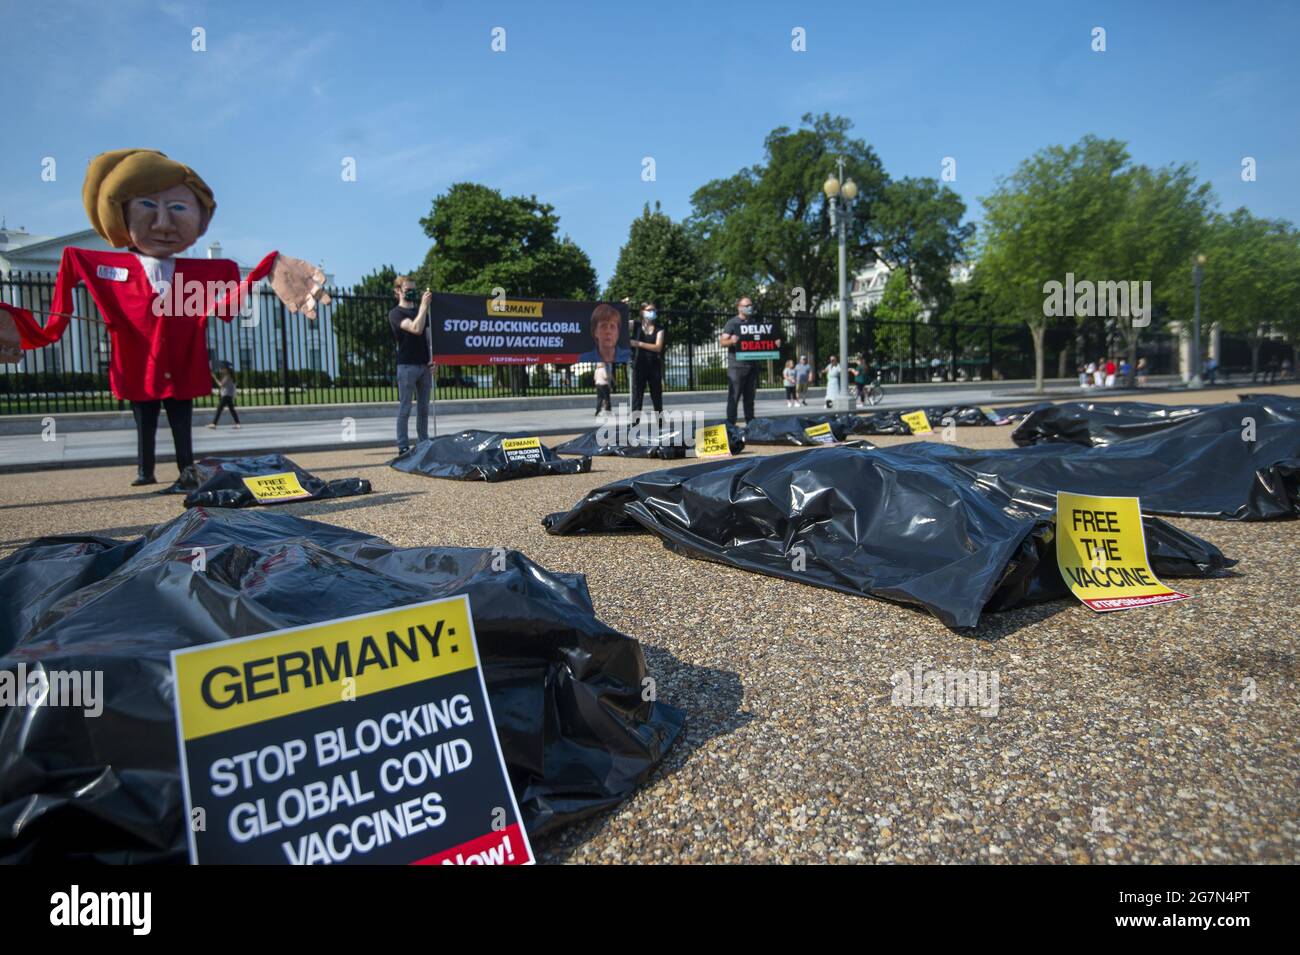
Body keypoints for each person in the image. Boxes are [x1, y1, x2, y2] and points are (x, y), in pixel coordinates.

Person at [0, 148, 327, 488]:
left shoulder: (204, 271)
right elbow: (67, 277)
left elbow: (228, 294)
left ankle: (186, 469)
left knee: (180, 421)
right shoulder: (109, 265)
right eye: (147, 205)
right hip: (139, 362)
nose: (163, 223)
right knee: (145, 420)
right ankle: (146, 470)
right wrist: (32, 330)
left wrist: (268, 265)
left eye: (177, 208)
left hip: (182, 361)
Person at [389, 275, 433, 454]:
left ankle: (423, 442)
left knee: (423, 408)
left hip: (424, 365)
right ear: (398, 291)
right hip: (406, 365)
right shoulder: (395, 314)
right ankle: (403, 445)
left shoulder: (423, 313)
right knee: (405, 407)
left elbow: (428, 337)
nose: (412, 293)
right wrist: (423, 306)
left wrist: (432, 359)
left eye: (414, 289)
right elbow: (415, 328)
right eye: (408, 290)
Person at [719, 296, 778, 427]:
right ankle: (730, 425)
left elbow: (763, 341)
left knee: (750, 399)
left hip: (752, 366)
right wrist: (731, 341)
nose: (750, 308)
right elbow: (722, 342)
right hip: (737, 367)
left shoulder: (755, 324)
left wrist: (774, 343)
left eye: (751, 305)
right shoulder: (732, 323)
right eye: (747, 306)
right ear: (739, 307)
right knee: (734, 398)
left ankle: (751, 425)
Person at [629, 302, 665, 424]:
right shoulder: (636, 325)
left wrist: (638, 344)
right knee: (637, 397)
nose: (652, 312)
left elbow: (658, 347)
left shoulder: (659, 329)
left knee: (656, 396)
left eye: (653, 310)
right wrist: (623, 306)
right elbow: (620, 323)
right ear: (642, 312)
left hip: (654, 366)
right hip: (639, 365)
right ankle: (634, 425)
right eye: (649, 310)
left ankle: (660, 424)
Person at [207, 364, 240, 429]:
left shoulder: (227, 376)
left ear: (226, 370)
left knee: (219, 409)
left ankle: (214, 423)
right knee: (231, 410)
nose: (221, 369)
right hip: (228, 395)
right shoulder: (229, 376)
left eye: (222, 368)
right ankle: (238, 423)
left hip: (225, 395)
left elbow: (220, 385)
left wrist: (214, 377)